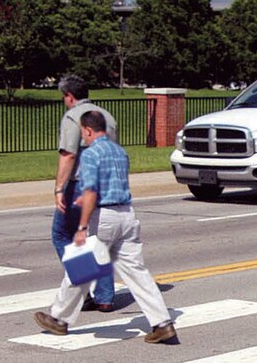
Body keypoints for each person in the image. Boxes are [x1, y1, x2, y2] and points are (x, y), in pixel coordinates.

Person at [34, 109, 178, 344]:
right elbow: (111, 185)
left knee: (80, 266)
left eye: (83, 133)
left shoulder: (91, 155)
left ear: (89, 130)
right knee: (138, 273)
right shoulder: (119, 152)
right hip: (127, 215)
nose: (84, 137)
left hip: (103, 219)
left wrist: (81, 227)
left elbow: (91, 191)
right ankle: (162, 323)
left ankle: (59, 319)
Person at [52, 74, 117, 312]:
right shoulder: (106, 116)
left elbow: (68, 155)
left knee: (62, 235)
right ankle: (105, 296)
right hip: (106, 182)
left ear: (69, 96)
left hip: (80, 184)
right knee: (96, 238)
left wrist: (60, 188)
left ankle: (82, 287)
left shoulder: (73, 117)